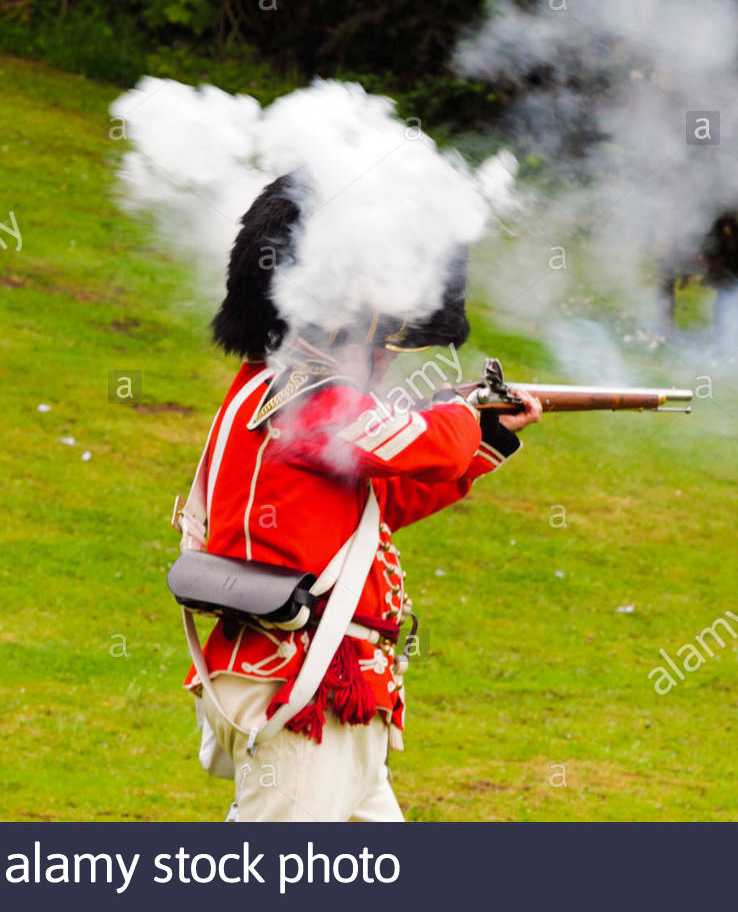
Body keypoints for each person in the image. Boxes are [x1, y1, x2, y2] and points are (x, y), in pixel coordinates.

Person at [180, 173, 541, 821]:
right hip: (305, 688)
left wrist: (485, 436)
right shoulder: (301, 395)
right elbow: (421, 443)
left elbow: (379, 507)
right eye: (387, 340)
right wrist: (465, 414)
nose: (388, 359)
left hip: (342, 693)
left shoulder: (276, 391)